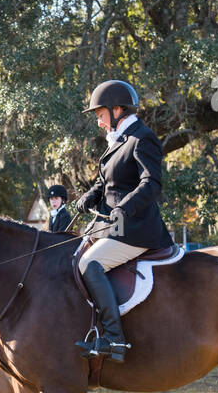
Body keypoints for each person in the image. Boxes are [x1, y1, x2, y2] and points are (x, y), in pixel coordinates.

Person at [72, 79, 173, 362]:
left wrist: (125, 208)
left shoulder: (142, 138)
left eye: (101, 116)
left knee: (89, 264)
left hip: (136, 229)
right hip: (111, 225)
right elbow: (107, 182)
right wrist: (90, 196)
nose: (99, 122)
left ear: (118, 110)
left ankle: (115, 340)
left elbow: (151, 183)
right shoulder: (118, 141)